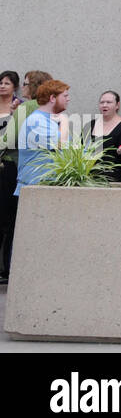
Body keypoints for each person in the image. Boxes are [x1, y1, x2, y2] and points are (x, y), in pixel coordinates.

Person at [16, 79, 69, 197]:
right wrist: (65, 121)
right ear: (52, 98)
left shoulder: (52, 119)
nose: (68, 99)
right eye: (65, 96)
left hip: (46, 186)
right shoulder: (37, 121)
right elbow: (61, 145)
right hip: (34, 187)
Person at [84, 91, 121, 183]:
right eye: (102, 102)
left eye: (109, 102)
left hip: (113, 179)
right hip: (89, 178)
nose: (104, 105)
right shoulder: (90, 125)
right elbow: (80, 149)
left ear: (117, 105)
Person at [0, 72, 21, 282]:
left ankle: (6, 268)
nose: (2, 86)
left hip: (9, 166)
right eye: (0, 82)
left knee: (7, 217)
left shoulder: (19, 107)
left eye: (7, 83)